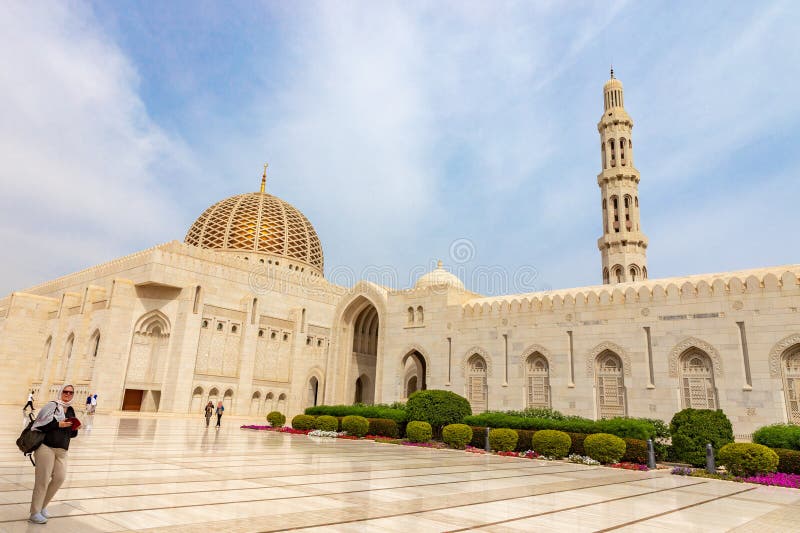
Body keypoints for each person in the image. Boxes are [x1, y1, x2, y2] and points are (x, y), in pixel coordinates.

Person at [28, 384, 79, 524]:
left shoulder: (71, 409)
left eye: (71, 392)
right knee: (42, 480)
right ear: (60, 392)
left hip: (62, 450)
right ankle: (35, 512)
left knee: (60, 478)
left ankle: (42, 506)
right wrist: (57, 424)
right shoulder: (52, 406)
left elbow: (72, 434)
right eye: (65, 392)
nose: (68, 394)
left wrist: (75, 428)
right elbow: (38, 425)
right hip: (46, 447)